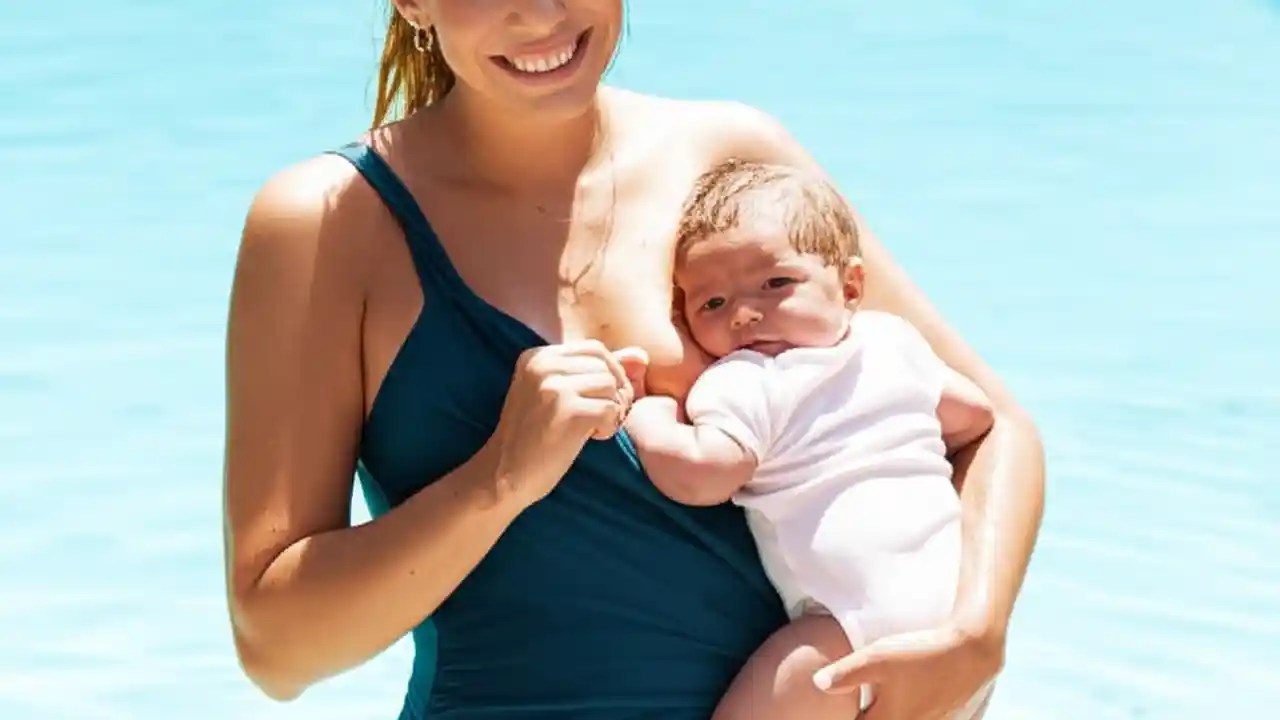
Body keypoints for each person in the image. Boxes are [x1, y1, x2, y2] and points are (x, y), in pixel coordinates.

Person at [221, 1, 1045, 718]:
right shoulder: (328, 221)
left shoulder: (728, 155)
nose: (540, 15)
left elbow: (988, 424)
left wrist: (976, 634)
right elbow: (278, 652)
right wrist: (500, 480)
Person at [624, 158, 997, 719]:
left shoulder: (747, 379)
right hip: (951, 620)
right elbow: (973, 415)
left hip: (846, 633)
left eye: (776, 283)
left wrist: (647, 415)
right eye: (713, 303)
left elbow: (701, 474)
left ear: (850, 285)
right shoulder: (892, 342)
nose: (746, 315)